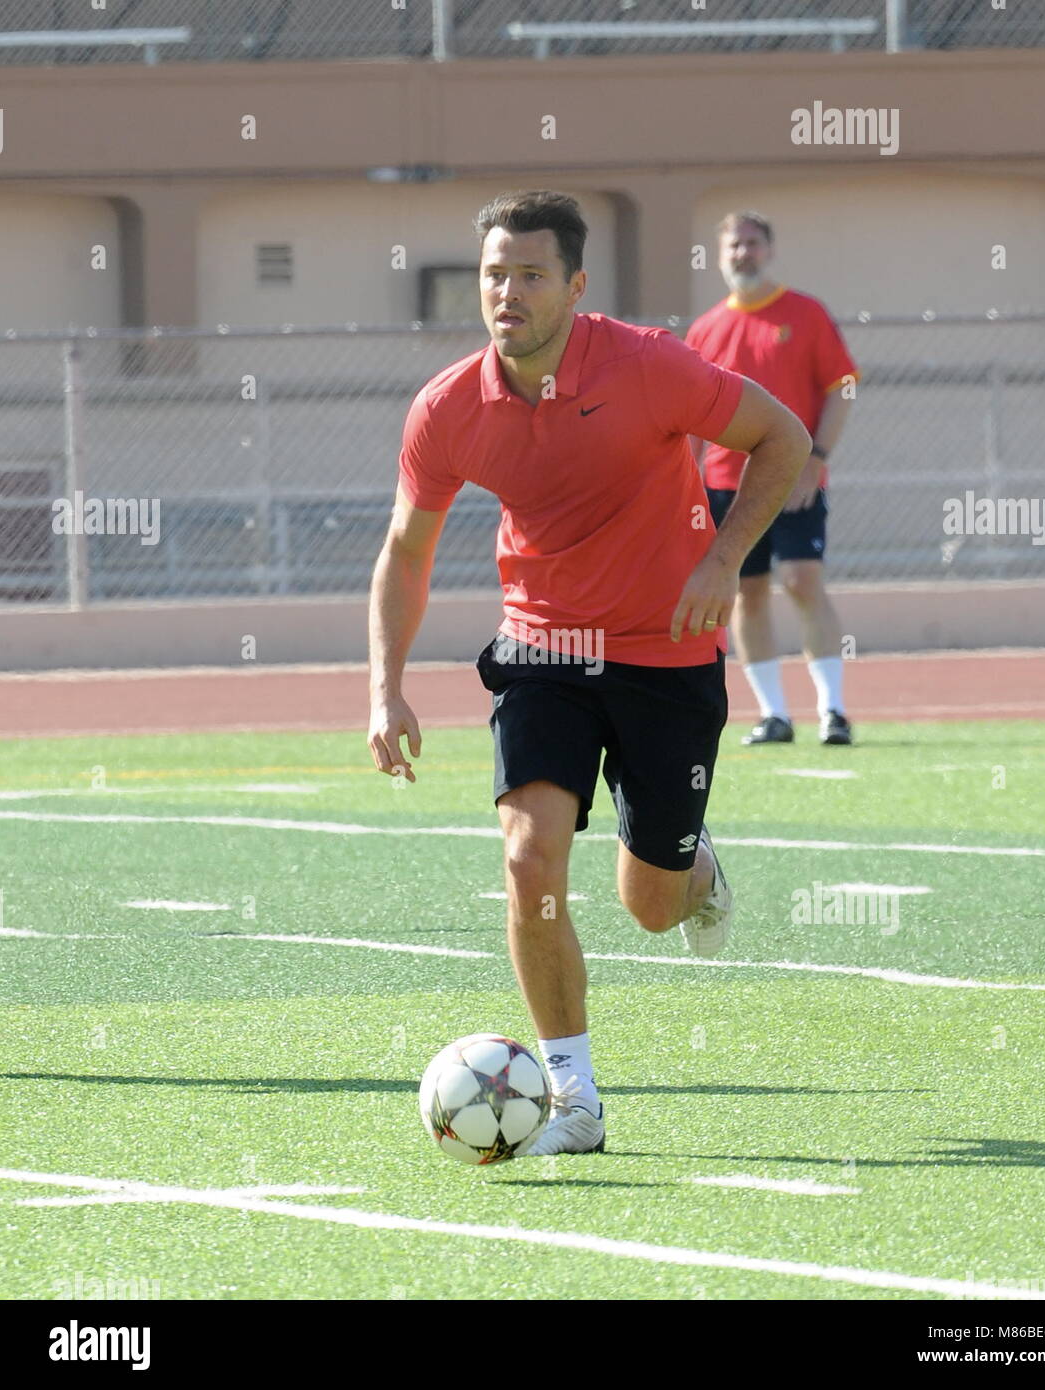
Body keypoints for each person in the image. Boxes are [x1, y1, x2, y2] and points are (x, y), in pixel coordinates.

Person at [368, 191, 809, 1156]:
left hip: (667, 653)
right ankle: (576, 1100)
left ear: (574, 285)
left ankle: (691, 868)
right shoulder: (447, 408)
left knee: (649, 907)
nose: (506, 293)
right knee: (529, 862)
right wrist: (384, 685)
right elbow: (407, 550)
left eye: (529, 275)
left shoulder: (648, 364)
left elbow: (783, 438)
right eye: (493, 274)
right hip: (543, 650)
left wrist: (723, 558)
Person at [686, 211, 859, 746]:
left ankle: (833, 711)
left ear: (769, 249)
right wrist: (682, 482)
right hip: (723, 484)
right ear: (720, 256)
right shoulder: (705, 329)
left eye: (753, 243)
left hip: (794, 480)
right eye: (734, 245)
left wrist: (816, 459)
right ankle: (773, 715)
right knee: (746, 593)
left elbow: (842, 388)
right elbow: (689, 416)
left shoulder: (805, 313)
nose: (743, 253)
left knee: (802, 582)